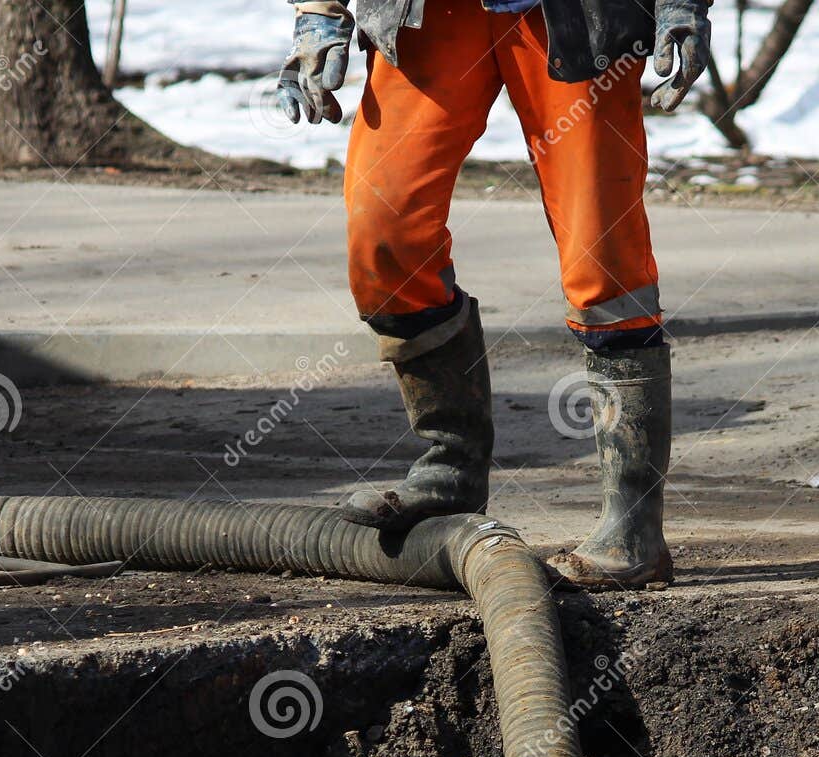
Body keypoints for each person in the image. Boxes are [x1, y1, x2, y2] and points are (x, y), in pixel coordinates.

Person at [277, 0, 711, 588]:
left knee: (603, 255)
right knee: (384, 232)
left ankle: (633, 528)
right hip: (428, 15)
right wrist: (317, 14)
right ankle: (450, 469)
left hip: (574, 17)